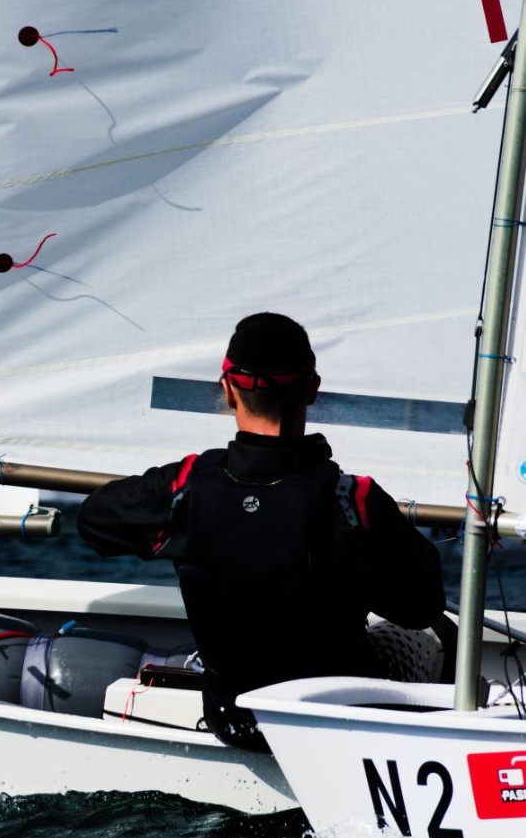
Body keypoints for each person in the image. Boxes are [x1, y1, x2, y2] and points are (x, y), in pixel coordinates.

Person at [76, 312, 448, 751]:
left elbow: (93, 521)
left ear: (228, 389)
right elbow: (422, 607)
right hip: (332, 722)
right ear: (311, 388)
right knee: (431, 637)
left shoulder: (186, 486)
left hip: (235, 722)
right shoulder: (354, 499)